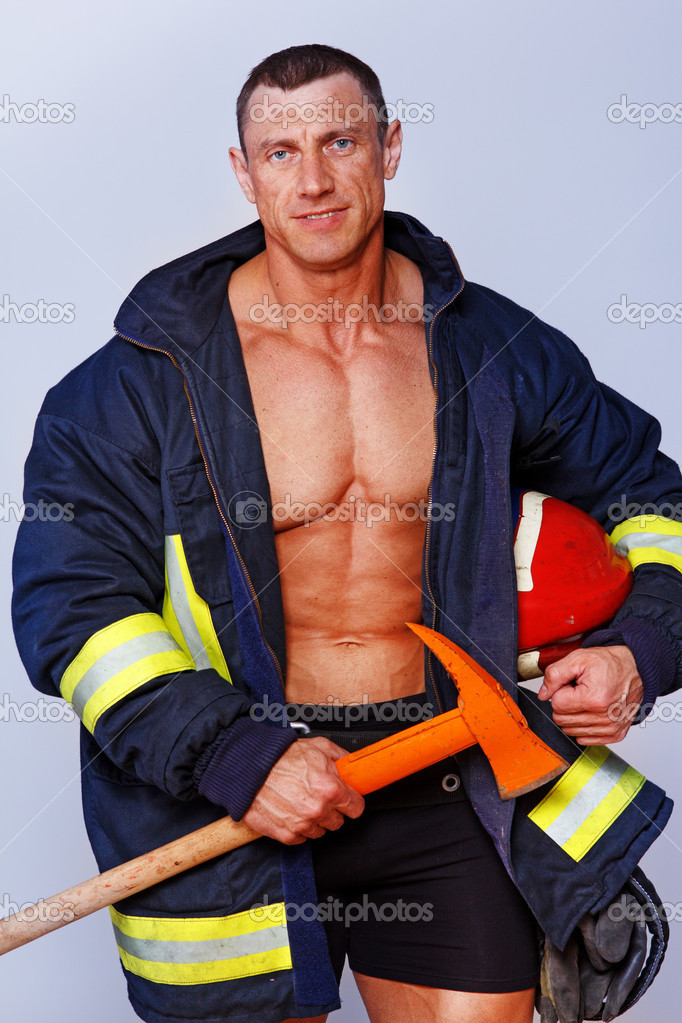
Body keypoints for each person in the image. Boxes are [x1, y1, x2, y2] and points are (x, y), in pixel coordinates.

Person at [12, 43, 682, 1023]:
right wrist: (232, 757)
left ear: (390, 148)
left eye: (340, 140)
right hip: (235, 804)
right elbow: (70, 610)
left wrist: (642, 644)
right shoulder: (134, 385)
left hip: (443, 781)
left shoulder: (492, 351)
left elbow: (649, 500)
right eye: (279, 153)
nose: (314, 178)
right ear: (242, 173)